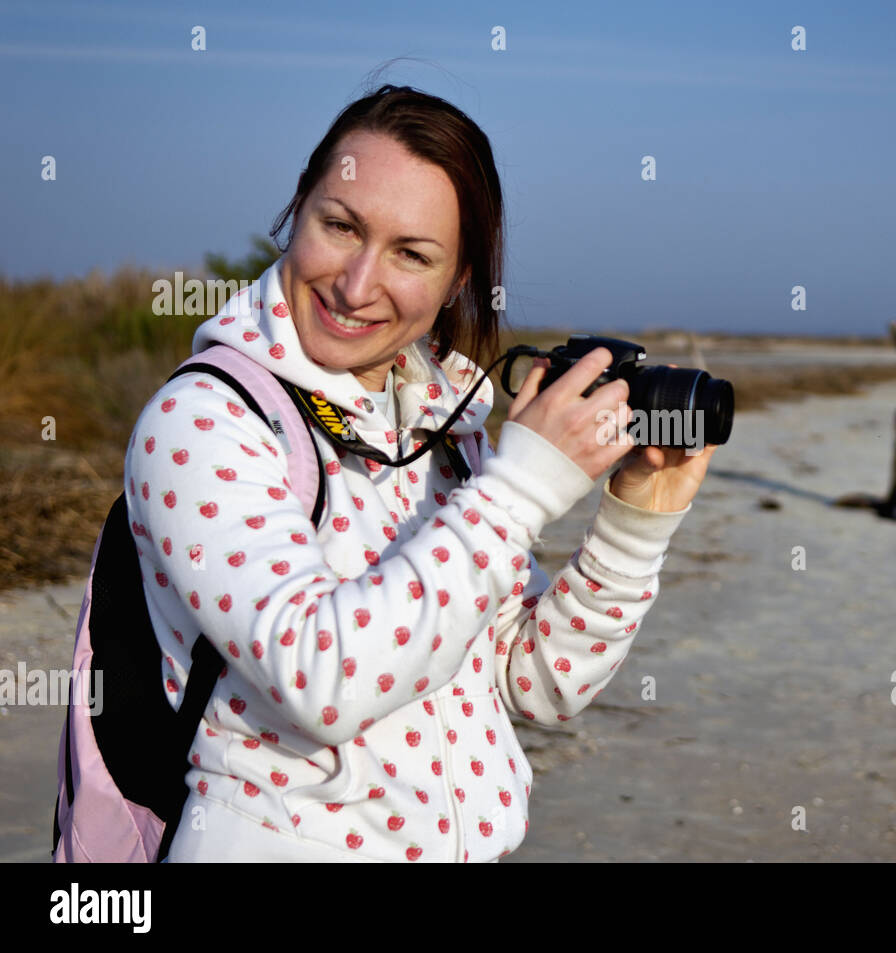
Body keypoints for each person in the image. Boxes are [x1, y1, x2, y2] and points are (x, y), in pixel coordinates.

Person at [125, 85, 717, 862]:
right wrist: (522, 488)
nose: (357, 283)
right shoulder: (204, 420)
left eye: (411, 254)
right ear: (295, 210)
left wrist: (637, 521)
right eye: (340, 226)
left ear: (457, 280)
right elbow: (318, 677)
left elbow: (539, 680)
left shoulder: (441, 424)